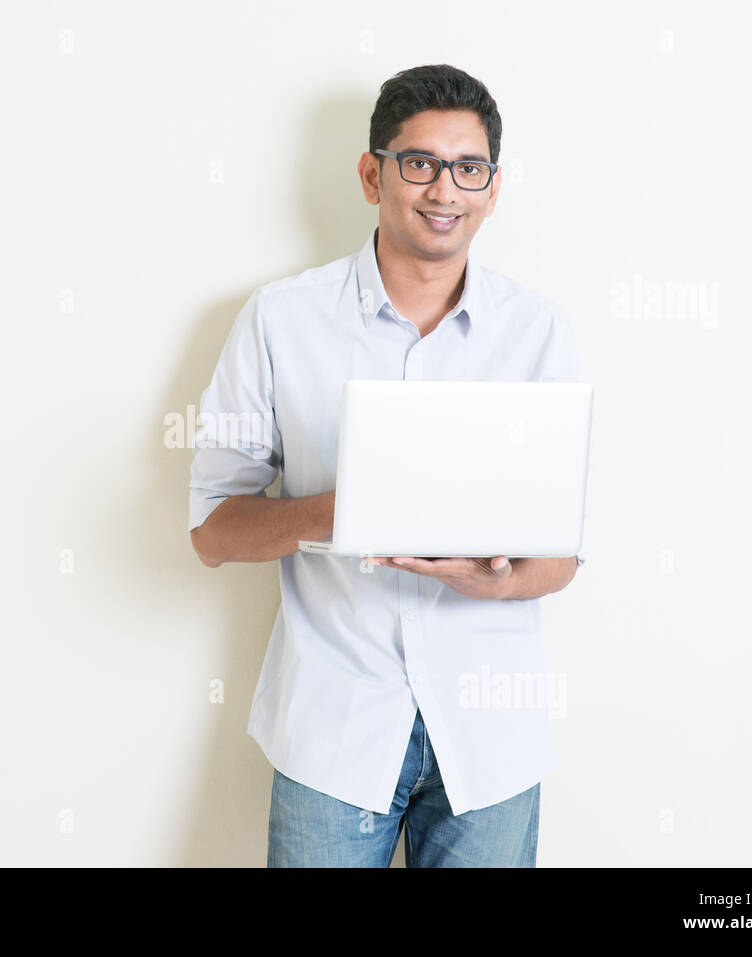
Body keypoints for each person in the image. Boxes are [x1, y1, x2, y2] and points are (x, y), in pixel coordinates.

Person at [187, 64, 588, 867]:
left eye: (468, 168)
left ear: (493, 188)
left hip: (489, 737)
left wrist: (495, 578)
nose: (445, 189)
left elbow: (563, 554)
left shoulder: (539, 332)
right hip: (334, 728)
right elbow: (211, 531)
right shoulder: (280, 319)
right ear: (373, 174)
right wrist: (335, 509)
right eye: (420, 163)